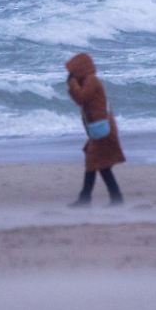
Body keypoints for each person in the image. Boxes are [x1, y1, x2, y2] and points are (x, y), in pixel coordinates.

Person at [65, 52, 125, 206]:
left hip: (103, 129)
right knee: (101, 164)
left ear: (80, 68)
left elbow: (81, 98)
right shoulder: (87, 80)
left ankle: (86, 199)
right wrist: (73, 84)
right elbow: (82, 101)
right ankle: (114, 198)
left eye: (72, 71)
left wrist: (72, 83)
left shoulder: (91, 80)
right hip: (100, 129)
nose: (70, 75)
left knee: (94, 162)